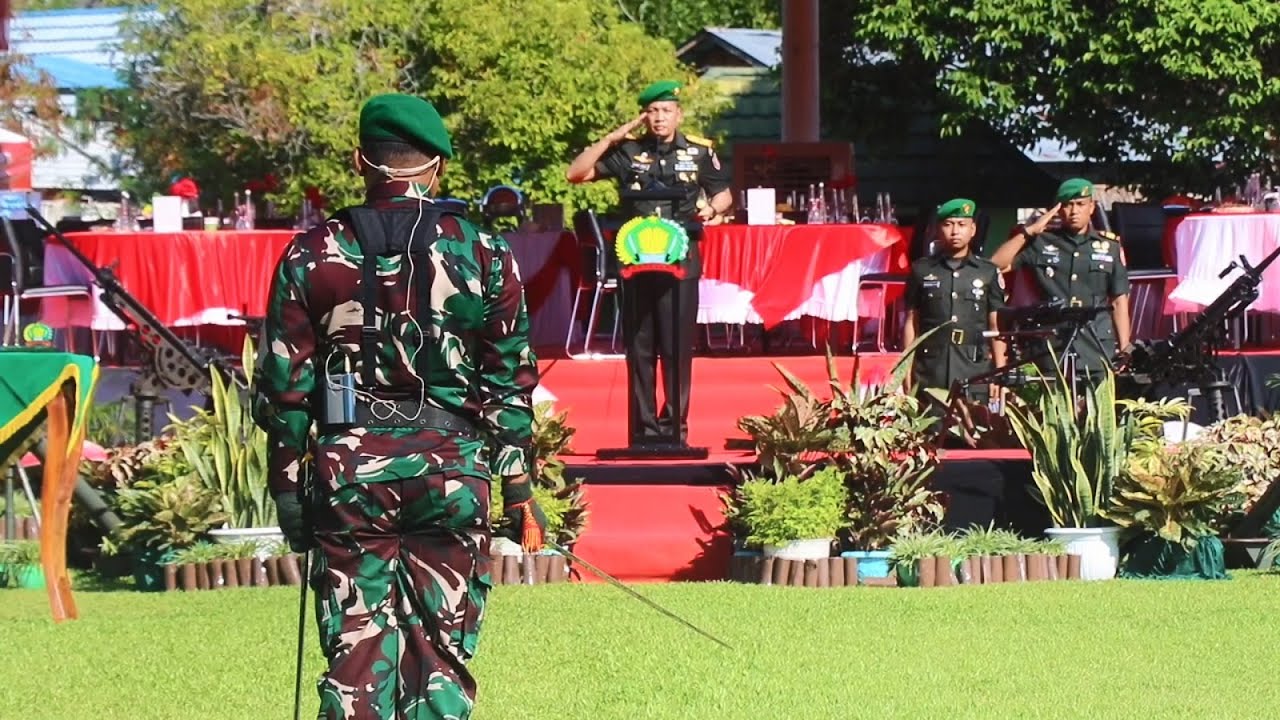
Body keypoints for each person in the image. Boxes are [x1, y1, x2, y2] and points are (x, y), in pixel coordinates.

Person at [252, 93, 545, 720]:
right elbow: (509, 382)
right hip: (451, 471)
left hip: (350, 476)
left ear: (361, 161)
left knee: (356, 656)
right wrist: (518, 487)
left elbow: (285, 388)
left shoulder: (311, 252)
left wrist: (287, 490)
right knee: (441, 656)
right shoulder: (485, 251)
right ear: (436, 167)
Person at [565, 80, 733, 446]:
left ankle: (674, 430)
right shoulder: (628, 152)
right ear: (644, 116)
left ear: (678, 115)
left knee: (676, 349)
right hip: (635, 262)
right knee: (639, 348)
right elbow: (575, 173)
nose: (659, 117)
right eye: (653, 111)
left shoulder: (699, 151)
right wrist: (611, 138)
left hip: (680, 262)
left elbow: (723, 194)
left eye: (666, 110)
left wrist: (710, 208)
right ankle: (643, 430)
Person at [990, 178, 1131, 374]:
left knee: (1097, 394)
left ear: (1091, 207)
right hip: (1052, 346)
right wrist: (1029, 231)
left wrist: (1125, 348)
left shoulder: (1110, 247)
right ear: (1057, 209)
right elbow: (995, 264)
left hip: (1095, 346)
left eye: (1080, 204)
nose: (1074, 211)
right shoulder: (1041, 243)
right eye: (1067, 205)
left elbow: (1119, 300)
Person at [902, 198, 1008, 405]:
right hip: (930, 370)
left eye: (961, 224)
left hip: (975, 370)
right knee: (930, 424)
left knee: (972, 425)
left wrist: (999, 373)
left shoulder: (987, 272)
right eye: (948, 224)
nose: (955, 231)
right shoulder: (922, 270)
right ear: (938, 229)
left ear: (973, 229)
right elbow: (911, 322)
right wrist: (905, 369)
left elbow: (996, 327)